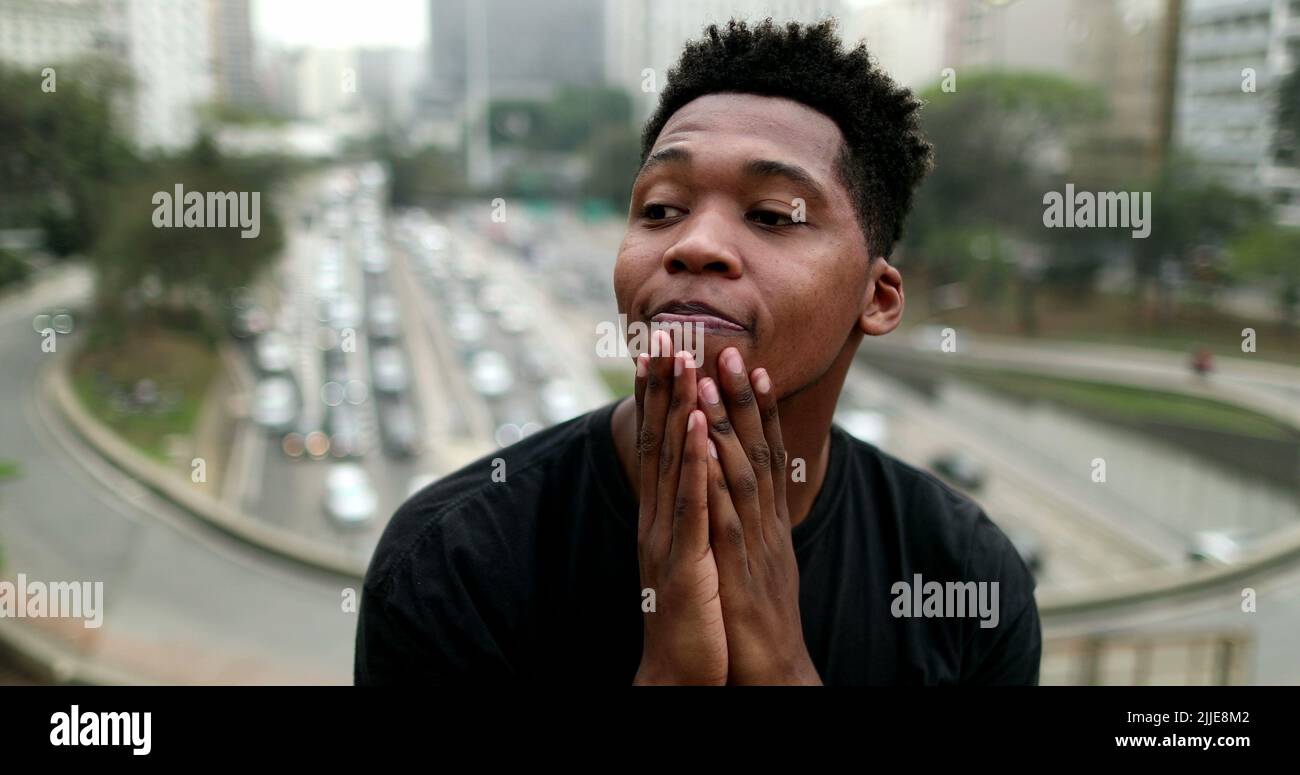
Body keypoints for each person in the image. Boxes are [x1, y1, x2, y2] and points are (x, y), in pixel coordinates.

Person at [355, 18, 1040, 685]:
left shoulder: (966, 583)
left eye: (773, 215)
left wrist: (782, 670)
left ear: (878, 297)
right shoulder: (449, 565)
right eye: (660, 209)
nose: (694, 244)